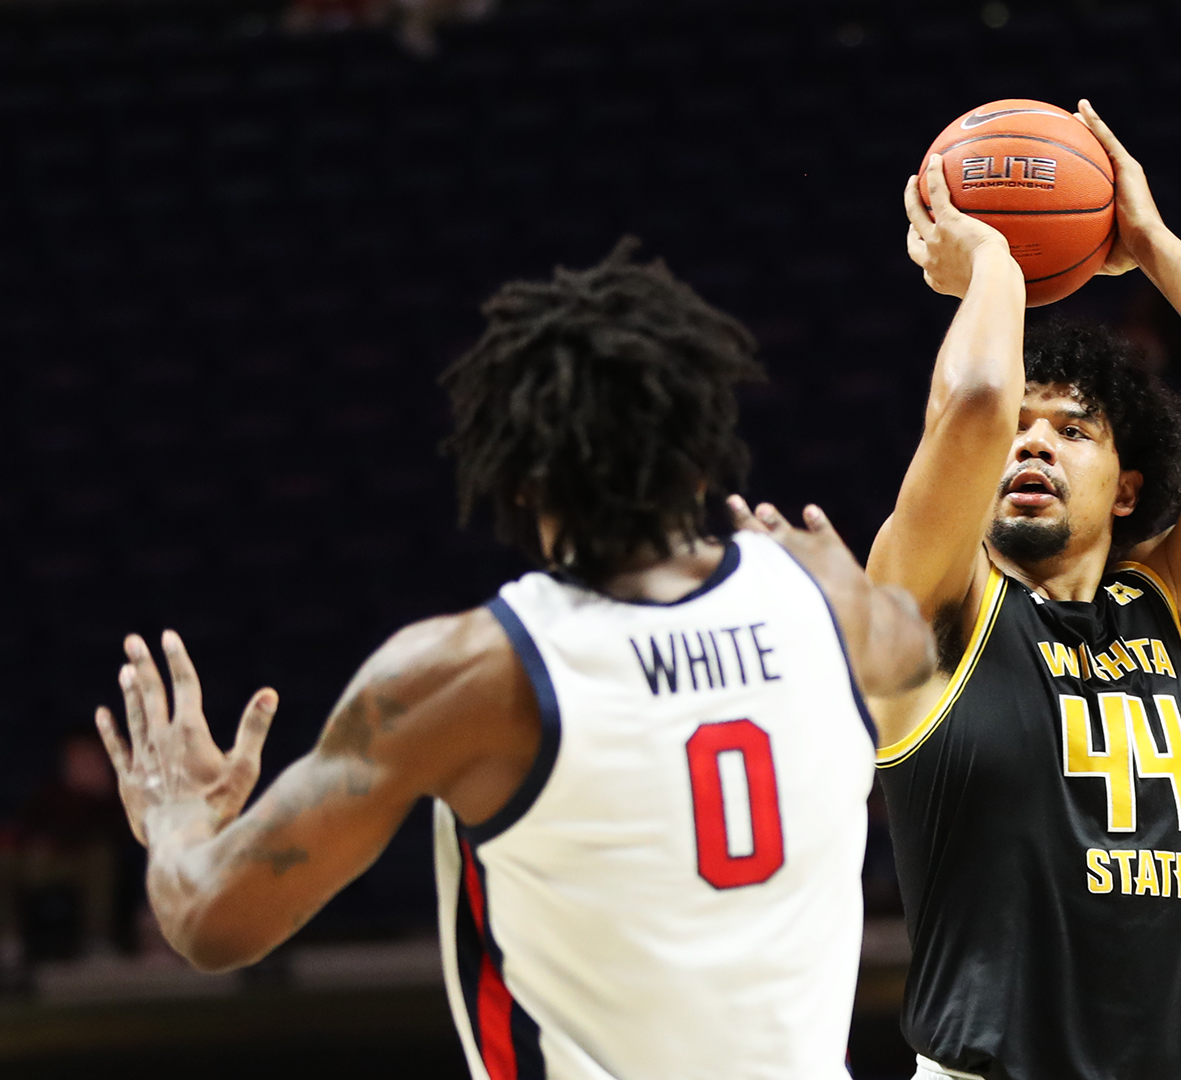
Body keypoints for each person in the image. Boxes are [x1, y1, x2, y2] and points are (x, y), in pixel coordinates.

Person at [95, 242, 936, 1080]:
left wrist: (177, 818)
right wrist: (835, 575)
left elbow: (212, 923)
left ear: (522, 479)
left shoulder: (467, 676)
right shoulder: (827, 606)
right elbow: (911, 651)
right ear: (702, 451)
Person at [872, 100, 1181, 1080]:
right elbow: (975, 401)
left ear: (1128, 488)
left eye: (1073, 430)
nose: (1032, 439)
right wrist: (995, 266)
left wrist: (1152, 244)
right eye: (1020, 432)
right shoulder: (930, 608)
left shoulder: (1173, 610)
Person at [0, 729, 127, 992]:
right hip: (39, 860)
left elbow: (118, 835)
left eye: (88, 759)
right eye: (75, 759)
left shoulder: (115, 795)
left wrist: (99, 795)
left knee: (100, 856)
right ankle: (8, 943)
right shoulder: (51, 791)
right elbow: (28, 824)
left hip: (82, 862)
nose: (81, 765)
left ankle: (96, 942)